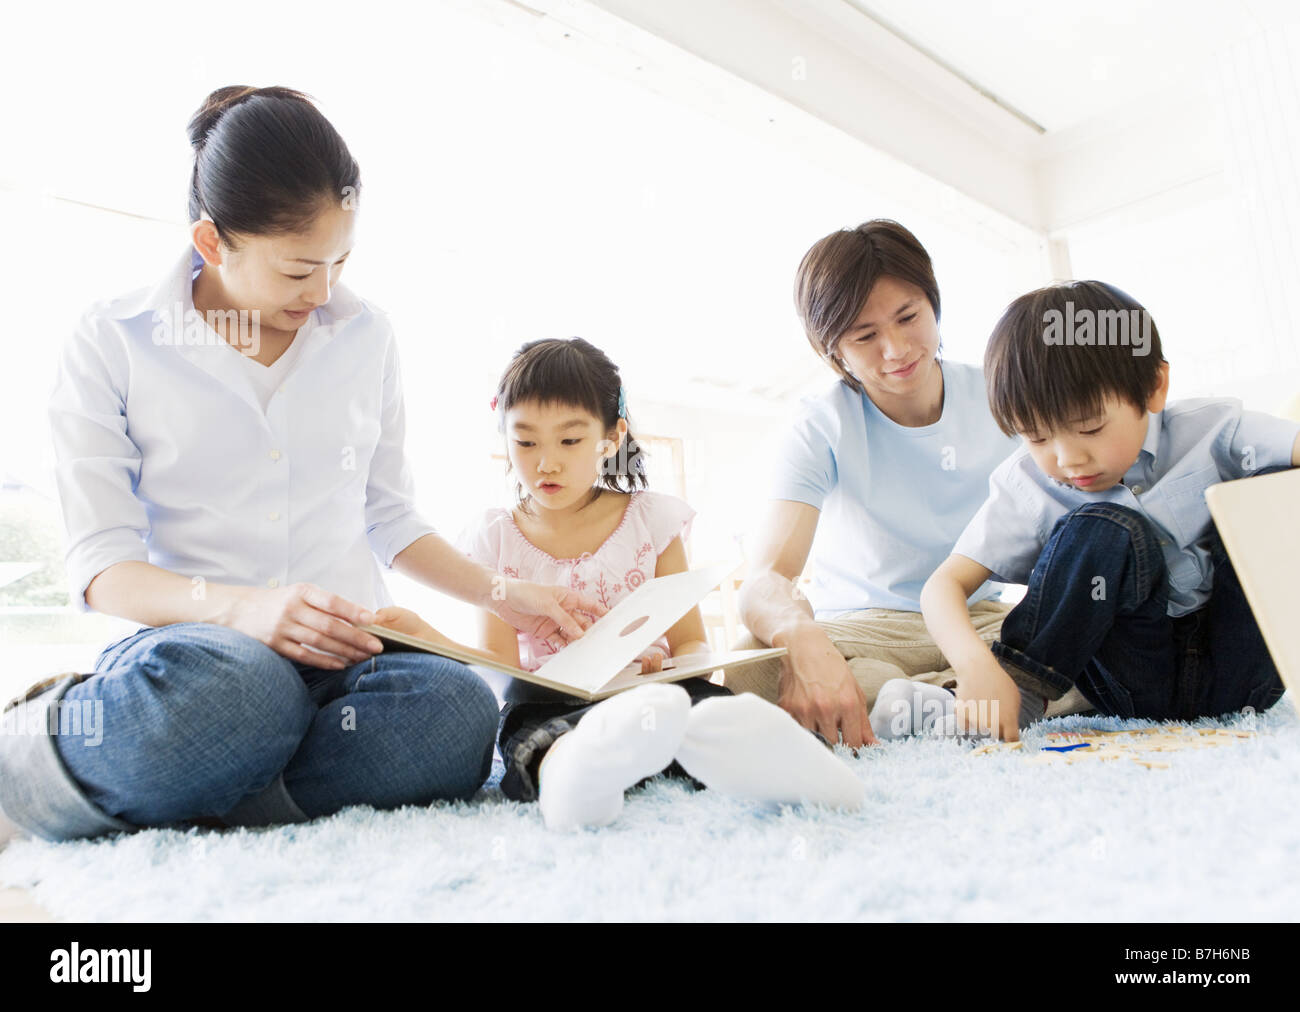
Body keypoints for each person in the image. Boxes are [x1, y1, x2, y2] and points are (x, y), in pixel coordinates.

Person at [0, 86, 600, 844]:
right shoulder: (114, 337)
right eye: (295, 272)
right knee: (245, 693)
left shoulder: (366, 334)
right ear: (213, 243)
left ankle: (208, 784)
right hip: (199, 656)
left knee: (455, 710)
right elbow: (103, 569)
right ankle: (39, 761)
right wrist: (245, 609)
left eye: (339, 262)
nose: (322, 293)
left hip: (345, 658)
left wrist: (505, 592)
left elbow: (388, 515)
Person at [372, 338, 864, 830]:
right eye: (525, 441)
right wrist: (429, 639)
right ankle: (578, 775)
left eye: (569, 441)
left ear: (610, 439)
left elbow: (691, 640)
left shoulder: (650, 519)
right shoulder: (493, 537)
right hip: (550, 704)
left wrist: (672, 667)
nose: (546, 463)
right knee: (539, 740)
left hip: (656, 693)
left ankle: (765, 758)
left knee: (698, 709)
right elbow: (501, 668)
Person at [921, 280, 1300, 741]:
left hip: (1245, 676)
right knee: (1103, 527)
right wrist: (975, 663)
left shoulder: (1213, 429)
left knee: (1276, 486)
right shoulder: (1027, 485)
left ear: (1154, 388)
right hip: (1135, 684)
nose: (1067, 459)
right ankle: (1018, 692)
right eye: (1037, 437)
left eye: (1090, 427)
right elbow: (943, 586)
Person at [728, 219, 1038, 749]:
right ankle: (953, 698)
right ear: (834, 351)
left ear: (933, 305)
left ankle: (915, 699)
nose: (895, 350)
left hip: (979, 619)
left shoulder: (1000, 391)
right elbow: (764, 578)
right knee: (748, 666)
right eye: (865, 336)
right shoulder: (819, 423)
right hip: (868, 626)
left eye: (908, 317)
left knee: (1090, 645)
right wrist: (801, 636)